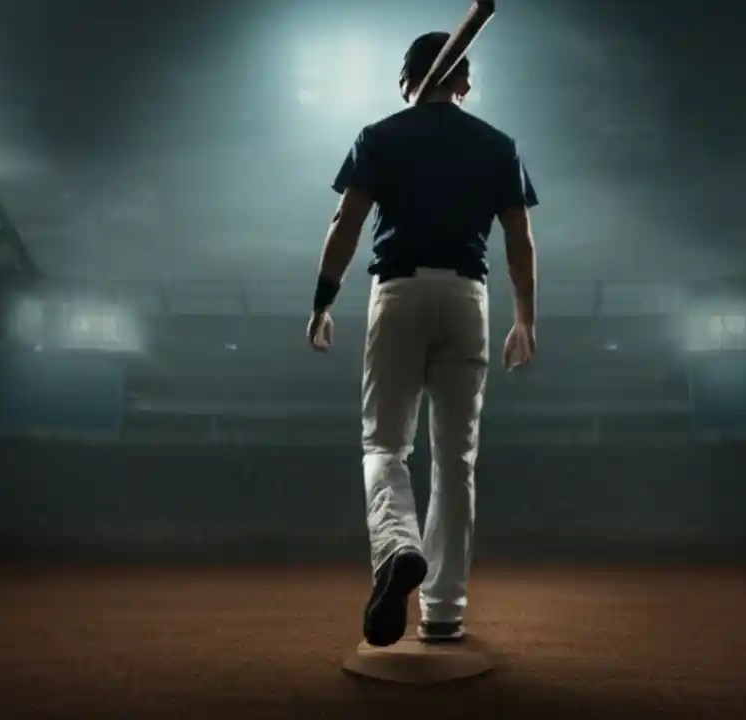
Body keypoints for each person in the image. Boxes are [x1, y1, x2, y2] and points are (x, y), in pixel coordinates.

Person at [306, 31, 539, 647]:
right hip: (469, 297)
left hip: (400, 292)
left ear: (406, 81)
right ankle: (444, 611)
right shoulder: (497, 145)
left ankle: (398, 548)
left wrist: (322, 302)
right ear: (462, 82)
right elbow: (519, 242)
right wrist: (525, 319)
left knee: (384, 446)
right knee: (456, 462)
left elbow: (346, 225)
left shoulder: (379, 135)